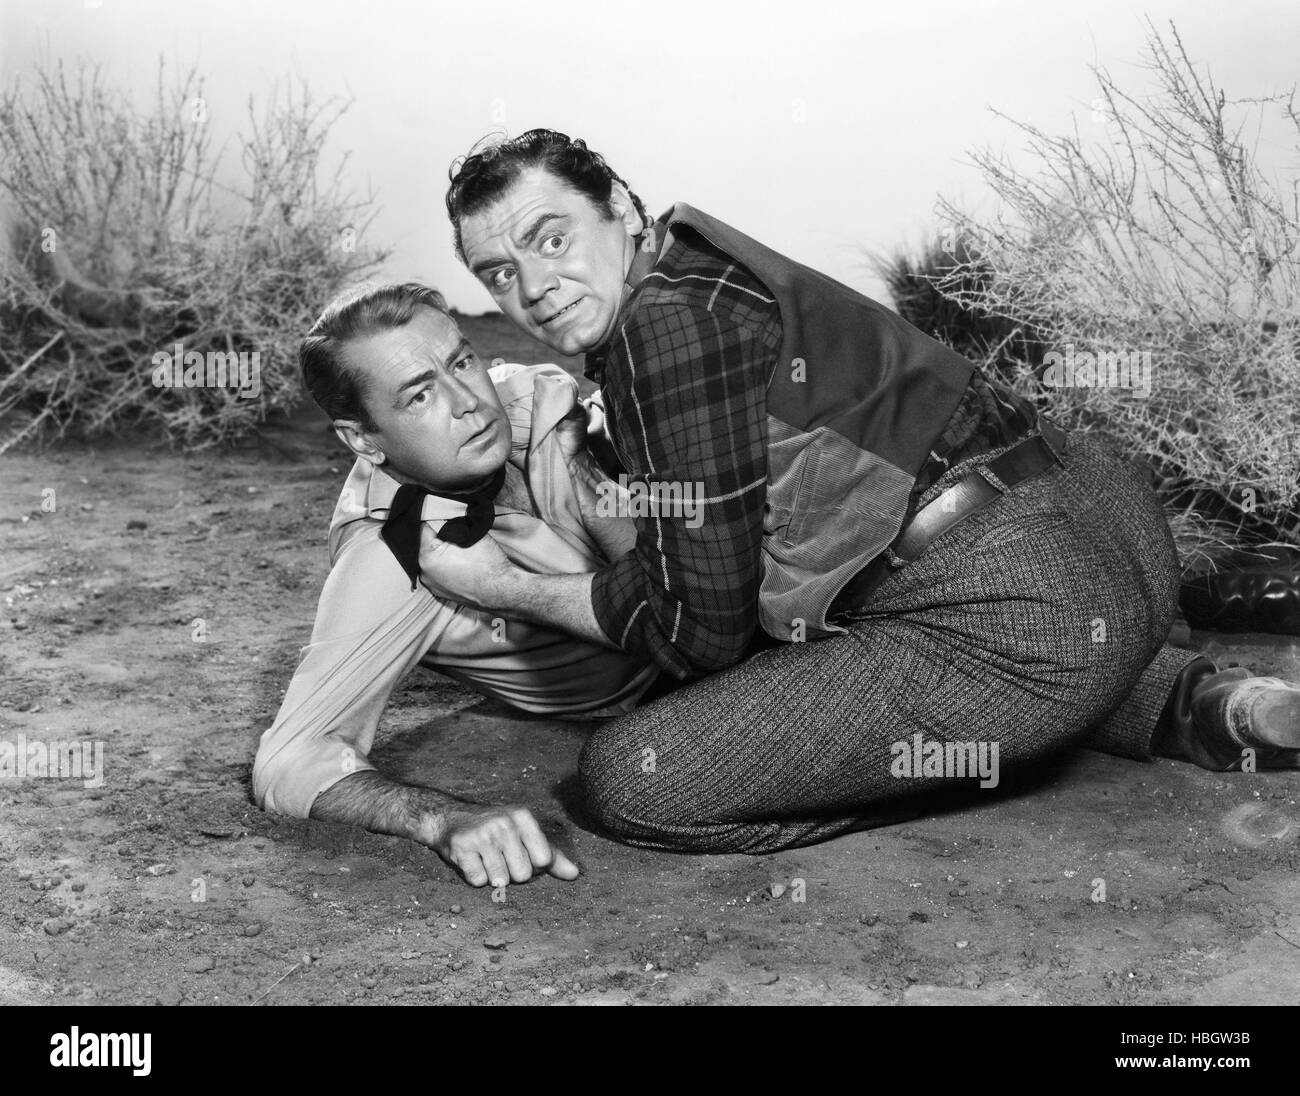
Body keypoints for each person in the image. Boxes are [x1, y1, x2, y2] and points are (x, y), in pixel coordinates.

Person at [415, 128, 1300, 855]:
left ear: (615, 207)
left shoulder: (665, 328)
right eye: (497, 272)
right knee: (802, 636)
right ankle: (1189, 704)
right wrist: (591, 472)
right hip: (1105, 529)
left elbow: (700, 634)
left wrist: (505, 589)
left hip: (1017, 610)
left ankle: (1029, 744)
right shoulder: (693, 257)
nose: (531, 287)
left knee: (635, 777)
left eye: (551, 238)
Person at [252, 281, 659, 888]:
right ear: (363, 438)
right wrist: (440, 817)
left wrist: (602, 485)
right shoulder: (390, 555)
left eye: (462, 362)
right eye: (419, 396)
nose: (468, 401)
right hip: (667, 688)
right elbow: (288, 761)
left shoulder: (532, 399)